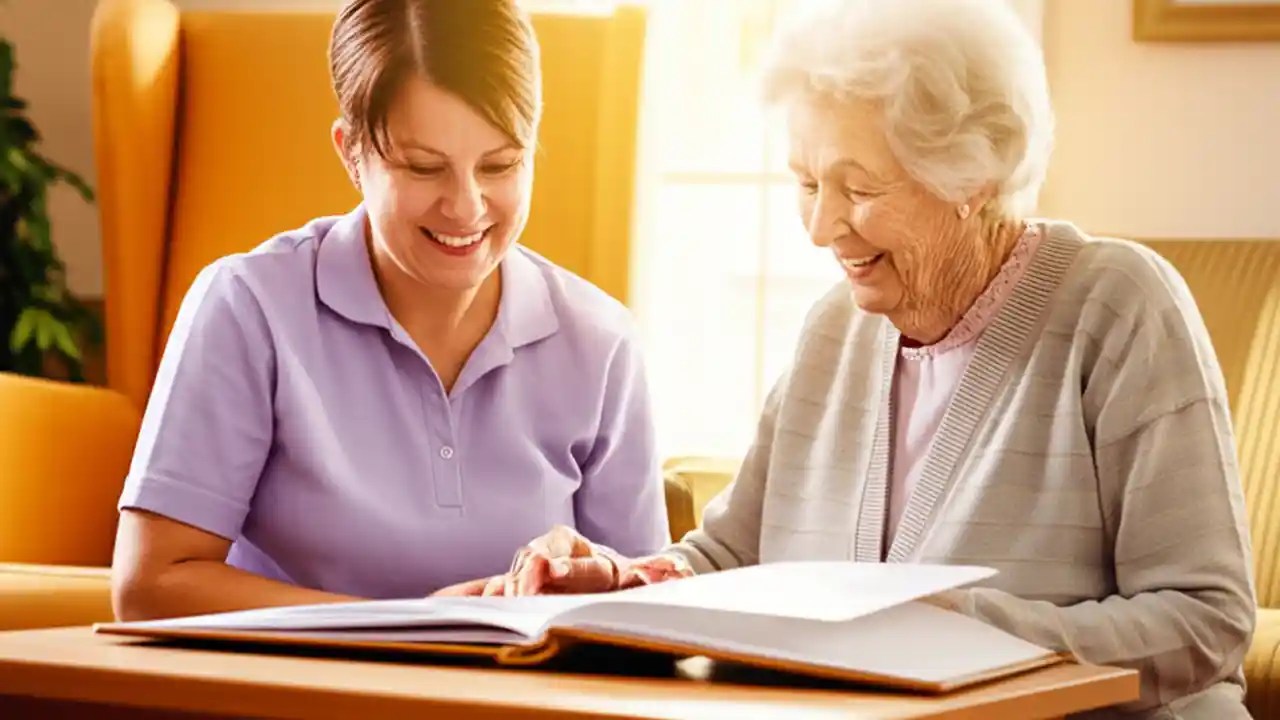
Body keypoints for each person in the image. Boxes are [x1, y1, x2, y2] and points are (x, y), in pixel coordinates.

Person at [464, 0, 1258, 716]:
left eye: (859, 188)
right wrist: (619, 582)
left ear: (971, 175)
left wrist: (964, 631)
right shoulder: (834, 330)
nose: (821, 227)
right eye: (807, 183)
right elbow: (730, 559)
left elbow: (1206, 620)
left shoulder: (1117, 307)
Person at [110, 0, 668, 620]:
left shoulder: (602, 343)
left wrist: (597, 579)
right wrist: (406, 625)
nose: (466, 206)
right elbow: (151, 586)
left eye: (501, 164)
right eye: (425, 167)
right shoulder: (250, 308)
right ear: (351, 153)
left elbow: (650, 611)